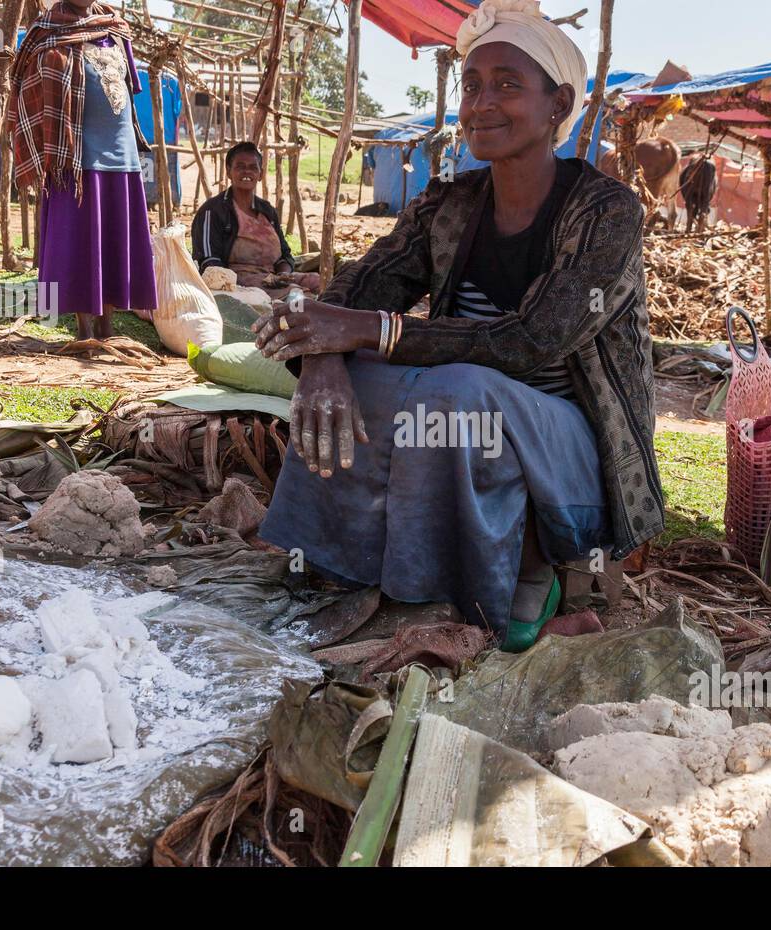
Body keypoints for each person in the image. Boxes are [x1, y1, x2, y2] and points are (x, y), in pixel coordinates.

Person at [251, 0, 663, 648]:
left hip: (573, 452)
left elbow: (532, 342)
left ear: (557, 104)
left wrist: (369, 331)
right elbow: (354, 293)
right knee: (374, 378)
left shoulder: (606, 212)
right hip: (468, 405)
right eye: (471, 85)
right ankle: (338, 565)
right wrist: (327, 356)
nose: (481, 103)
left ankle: (506, 585)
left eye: (506, 85)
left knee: (460, 393)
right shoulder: (448, 202)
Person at [8, 0, 156, 342]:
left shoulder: (116, 30)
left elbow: (130, 91)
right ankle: (84, 330)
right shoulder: (46, 33)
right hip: (74, 158)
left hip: (122, 153)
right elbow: (27, 89)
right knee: (82, 243)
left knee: (115, 243)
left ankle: (108, 327)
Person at [191, 142, 321, 295]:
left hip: (273, 278)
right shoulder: (212, 211)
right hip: (238, 283)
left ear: (261, 174)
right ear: (228, 171)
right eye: (240, 166)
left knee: (318, 281)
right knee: (294, 294)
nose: (247, 171)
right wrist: (238, 283)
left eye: (253, 167)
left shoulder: (267, 211)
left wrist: (283, 274)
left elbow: (284, 255)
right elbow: (208, 261)